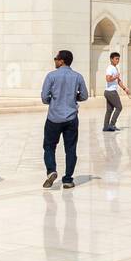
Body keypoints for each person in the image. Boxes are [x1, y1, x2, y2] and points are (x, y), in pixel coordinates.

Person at [41, 49, 89, 188]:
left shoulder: (51, 76)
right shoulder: (77, 76)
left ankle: (51, 171)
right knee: (71, 148)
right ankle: (68, 179)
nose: (55, 61)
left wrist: (53, 101)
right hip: (71, 118)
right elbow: (85, 96)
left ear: (61, 60)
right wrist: (73, 98)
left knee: (49, 146)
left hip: (53, 118)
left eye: (56, 58)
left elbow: (44, 97)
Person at [103, 51, 131, 132]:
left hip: (109, 92)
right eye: (116, 59)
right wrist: (115, 77)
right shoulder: (110, 68)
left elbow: (118, 81)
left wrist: (125, 89)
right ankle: (112, 124)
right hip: (111, 92)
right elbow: (108, 79)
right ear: (111, 59)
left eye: (118, 59)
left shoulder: (115, 68)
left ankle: (106, 127)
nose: (118, 60)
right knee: (119, 107)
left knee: (109, 110)